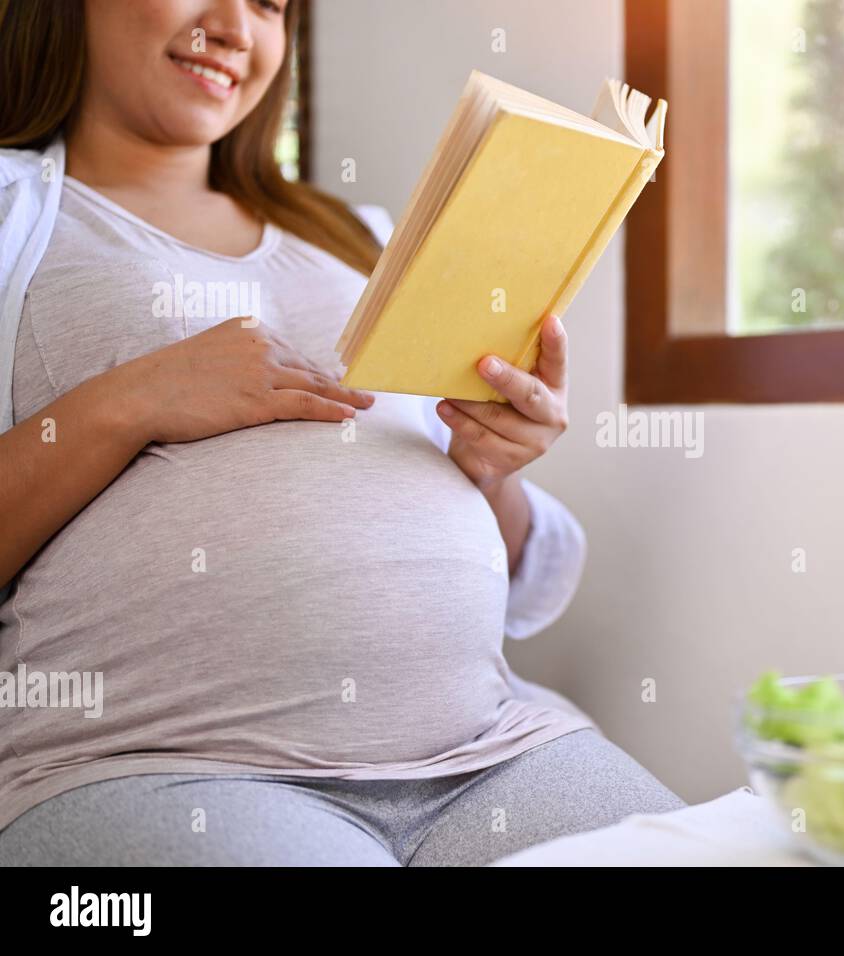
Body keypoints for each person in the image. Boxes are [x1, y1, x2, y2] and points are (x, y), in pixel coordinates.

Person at [0, 0, 684, 866]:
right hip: (166, 766)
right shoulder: (14, 211)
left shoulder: (358, 238)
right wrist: (130, 399)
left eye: (270, 6)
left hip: (488, 749)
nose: (236, 27)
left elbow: (505, 560)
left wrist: (492, 464)